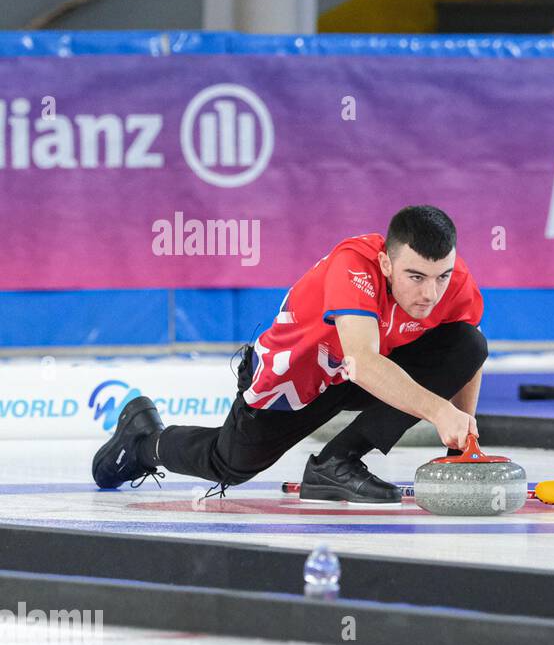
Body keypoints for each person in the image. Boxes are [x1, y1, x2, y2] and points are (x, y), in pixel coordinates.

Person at [92, 205, 486, 503]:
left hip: (361, 373)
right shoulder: (355, 265)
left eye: (441, 277)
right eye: (415, 277)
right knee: (230, 465)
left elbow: (467, 358)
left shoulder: (454, 280)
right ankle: (144, 440)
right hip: (296, 379)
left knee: (469, 342)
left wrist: (461, 446)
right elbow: (362, 362)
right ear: (386, 262)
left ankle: (337, 463)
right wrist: (438, 411)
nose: (430, 293)